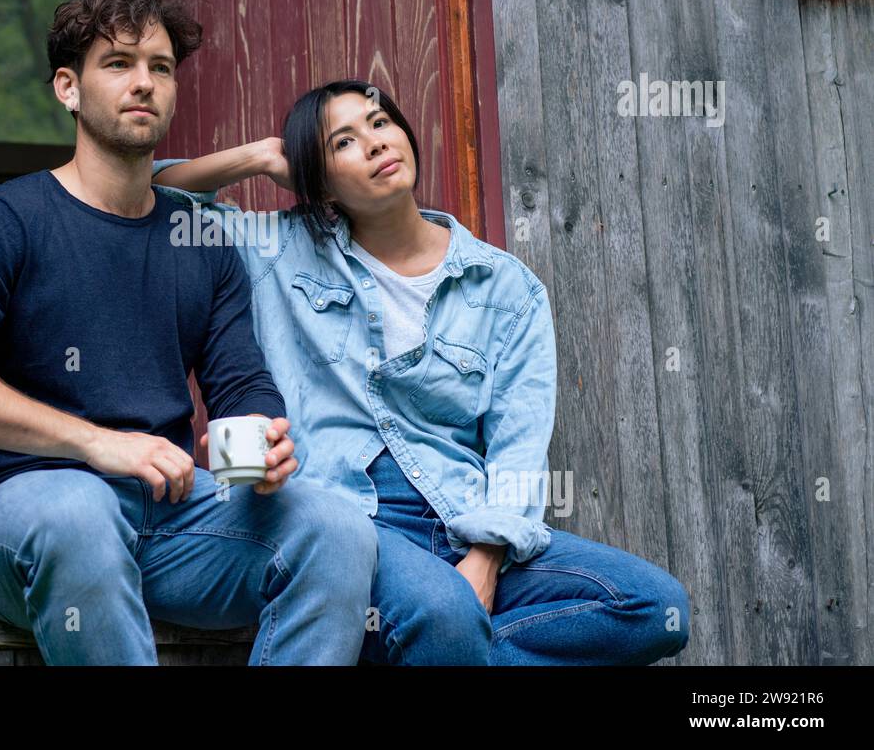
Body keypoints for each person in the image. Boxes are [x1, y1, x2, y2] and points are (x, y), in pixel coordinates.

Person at [0, 0, 378, 665]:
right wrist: (95, 443)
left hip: (170, 521)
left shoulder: (201, 244)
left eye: (161, 67)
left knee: (338, 529)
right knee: (81, 514)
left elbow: (241, 386)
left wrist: (258, 450)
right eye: (118, 63)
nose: (143, 82)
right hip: (32, 521)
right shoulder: (10, 219)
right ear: (68, 88)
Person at [151, 79, 692, 665]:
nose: (377, 144)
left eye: (381, 124)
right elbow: (156, 197)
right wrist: (259, 156)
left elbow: (518, 445)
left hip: (462, 519)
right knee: (443, 616)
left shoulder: (505, 287)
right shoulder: (280, 250)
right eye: (344, 142)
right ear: (318, 177)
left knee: (653, 607)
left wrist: (484, 561)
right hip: (350, 522)